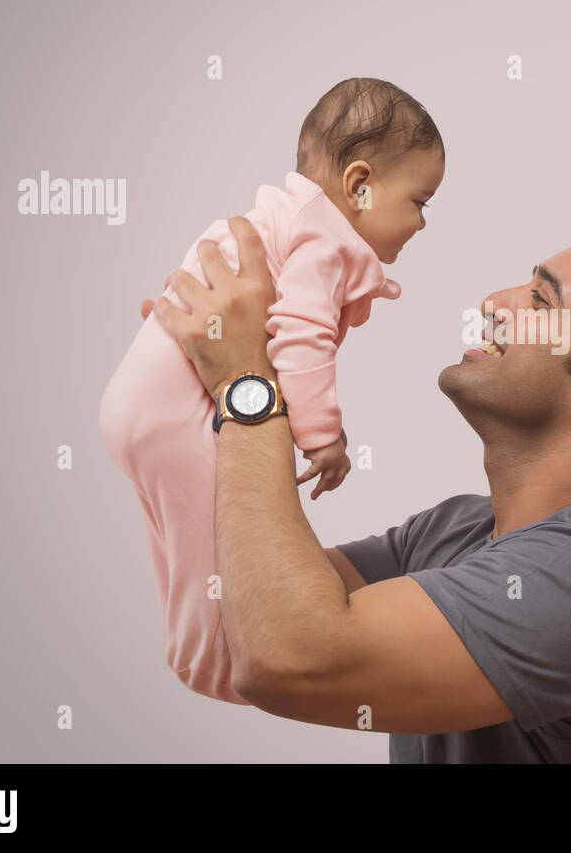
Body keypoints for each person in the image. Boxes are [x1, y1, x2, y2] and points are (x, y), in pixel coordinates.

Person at [139, 203, 571, 762]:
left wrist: (246, 386)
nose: (494, 301)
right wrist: (188, 378)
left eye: (541, 301)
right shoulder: (453, 531)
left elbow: (287, 655)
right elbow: (233, 625)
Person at [98, 78, 444, 704]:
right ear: (358, 185)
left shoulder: (279, 222)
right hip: (182, 410)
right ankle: (217, 662)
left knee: (185, 540)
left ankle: (191, 644)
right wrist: (324, 436)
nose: (423, 221)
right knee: (217, 541)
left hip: (142, 399)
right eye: (419, 200)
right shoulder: (328, 242)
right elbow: (301, 337)